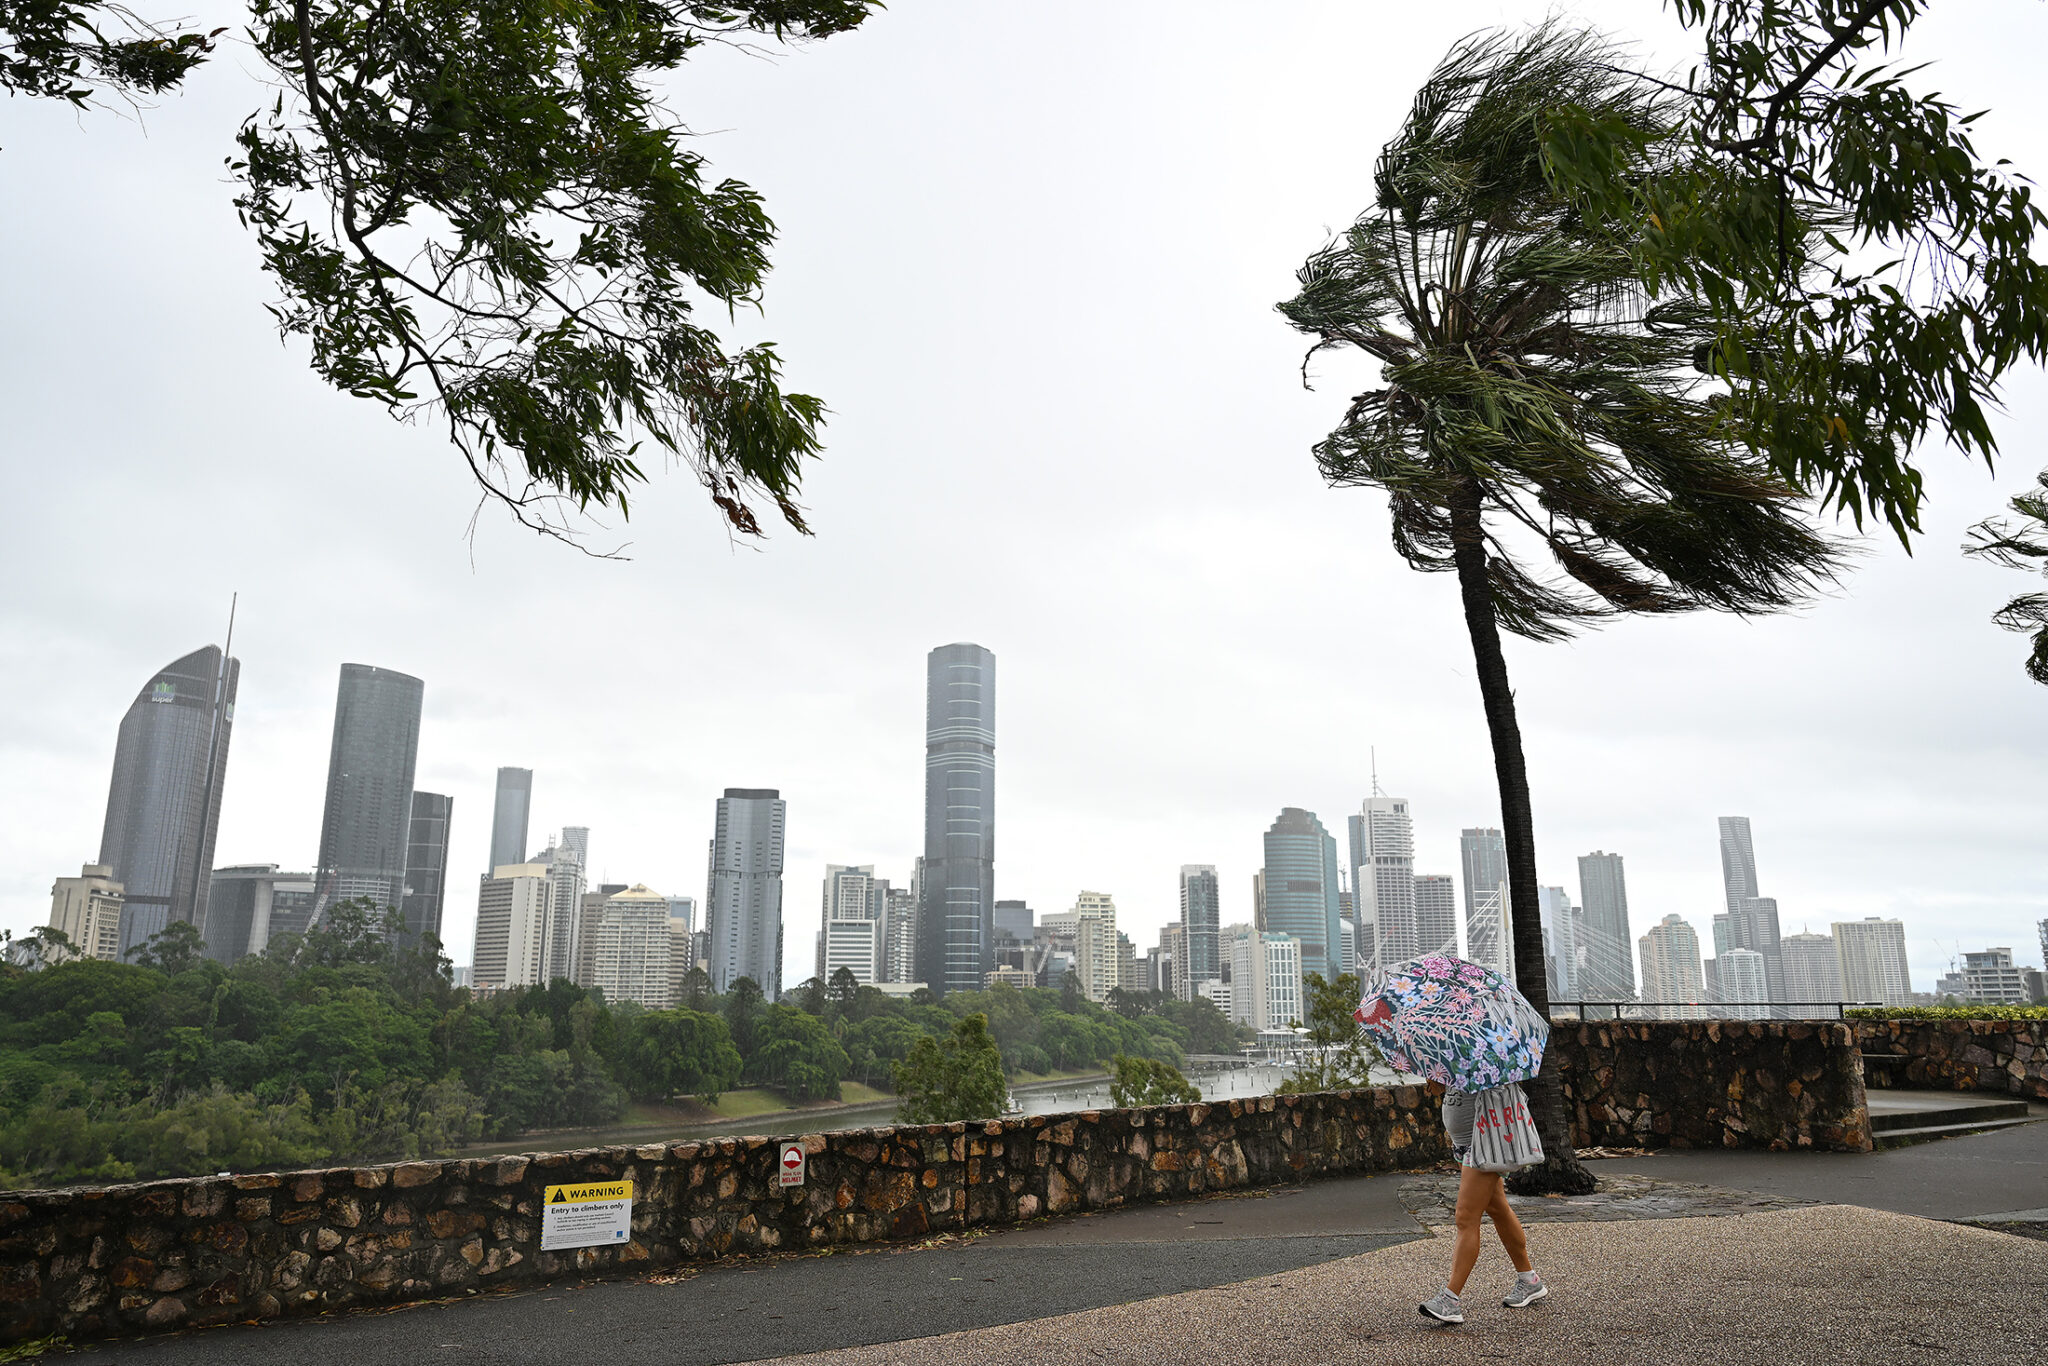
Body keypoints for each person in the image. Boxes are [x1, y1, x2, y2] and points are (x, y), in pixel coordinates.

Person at [1418, 1087, 1546, 1325]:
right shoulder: (1455, 1053)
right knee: (1498, 1208)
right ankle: (1529, 1280)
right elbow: (1440, 1087)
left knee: (1465, 1218)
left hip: (1484, 1143)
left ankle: (1450, 1300)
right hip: (1465, 1143)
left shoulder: (1488, 1054)